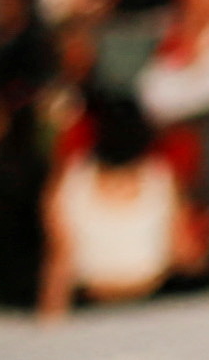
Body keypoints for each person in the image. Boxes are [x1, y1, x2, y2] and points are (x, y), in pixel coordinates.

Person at [36, 90, 188, 321]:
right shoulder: (162, 179)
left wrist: (50, 316)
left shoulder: (69, 181)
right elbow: (180, 249)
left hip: (93, 293)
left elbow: (60, 255)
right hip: (150, 289)